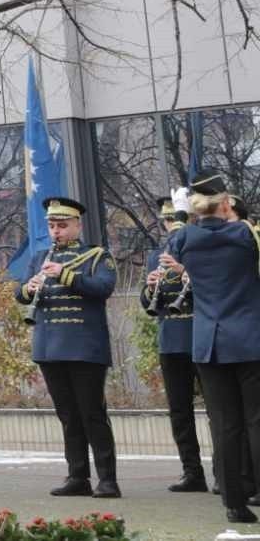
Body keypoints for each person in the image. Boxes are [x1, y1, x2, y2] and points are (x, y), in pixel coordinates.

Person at [165, 174, 260, 524]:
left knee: (224, 425)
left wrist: (181, 214)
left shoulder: (184, 238)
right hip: (249, 339)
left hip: (208, 342)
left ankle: (234, 504)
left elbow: (173, 243)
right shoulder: (244, 235)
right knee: (256, 421)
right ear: (225, 204)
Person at [11, 195, 118, 499]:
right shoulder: (39, 258)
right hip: (50, 346)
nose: (56, 231)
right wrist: (28, 288)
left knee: (92, 414)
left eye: (62, 225)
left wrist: (66, 274)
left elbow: (103, 287)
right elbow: (20, 293)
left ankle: (108, 480)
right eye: (52, 226)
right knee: (68, 416)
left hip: (85, 347)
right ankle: (77, 476)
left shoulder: (96, 256)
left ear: (77, 226)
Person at [141, 194, 208, 494]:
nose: (173, 226)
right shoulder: (157, 255)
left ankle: (226, 472)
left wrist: (184, 271)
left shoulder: (203, 249)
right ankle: (191, 472)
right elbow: (148, 304)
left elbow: (216, 289)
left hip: (201, 336)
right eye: (168, 220)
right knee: (179, 411)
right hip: (171, 340)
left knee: (218, 410)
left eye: (178, 219)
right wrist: (150, 287)